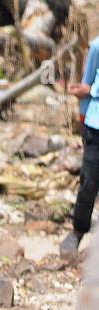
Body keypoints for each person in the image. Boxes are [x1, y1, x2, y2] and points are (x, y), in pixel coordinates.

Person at [65, 39, 99, 259]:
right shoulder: (97, 46)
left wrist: (92, 89)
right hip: (96, 126)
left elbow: (89, 87)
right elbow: (85, 85)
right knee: (88, 182)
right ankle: (77, 231)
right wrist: (83, 119)